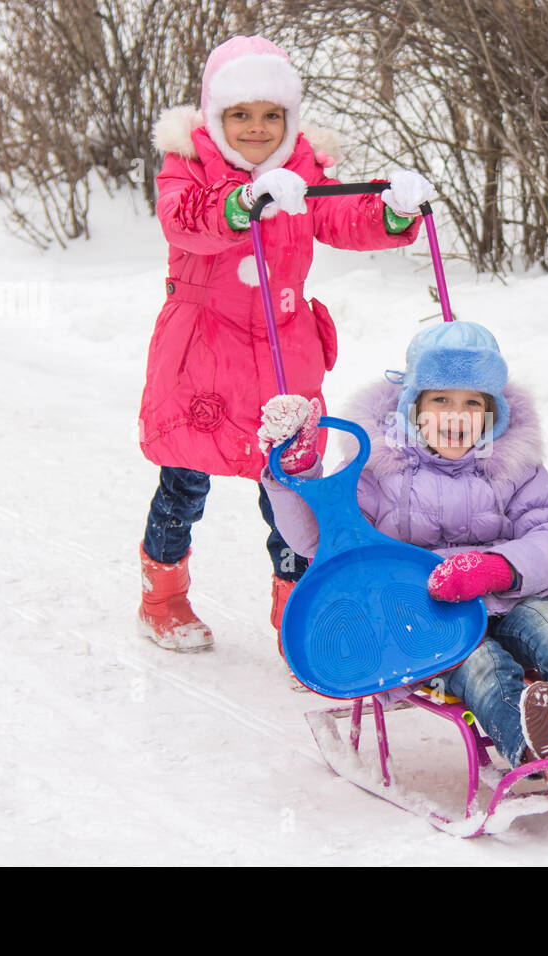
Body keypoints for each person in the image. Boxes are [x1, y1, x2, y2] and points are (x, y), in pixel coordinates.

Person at [256, 321, 548, 805]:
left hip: (511, 596)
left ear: (494, 414)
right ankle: (534, 745)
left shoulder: (513, 466)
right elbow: (320, 541)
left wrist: (500, 567)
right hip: (426, 618)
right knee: (483, 664)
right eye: (441, 401)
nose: (458, 416)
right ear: (415, 408)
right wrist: (296, 474)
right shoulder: (378, 471)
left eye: (474, 403)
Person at [136, 35, 437, 652]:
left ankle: (295, 613)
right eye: (240, 114)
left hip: (282, 354)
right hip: (201, 358)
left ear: (290, 117)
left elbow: (341, 217)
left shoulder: (305, 165)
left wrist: (392, 214)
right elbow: (184, 220)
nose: (256, 128)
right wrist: (245, 202)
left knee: (294, 493)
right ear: (215, 115)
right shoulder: (186, 164)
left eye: (271, 115)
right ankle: (161, 597)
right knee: (184, 482)